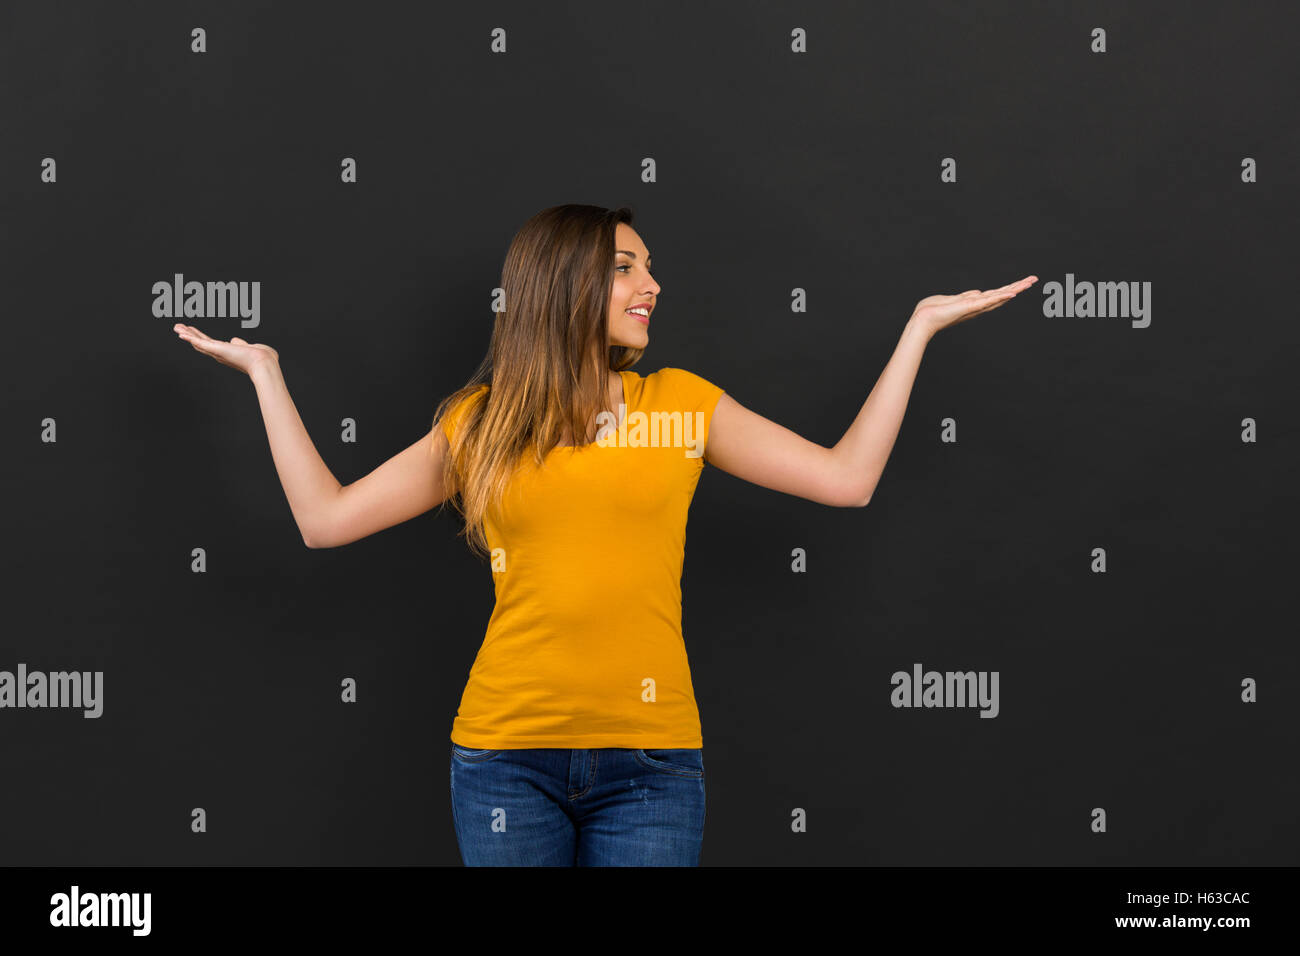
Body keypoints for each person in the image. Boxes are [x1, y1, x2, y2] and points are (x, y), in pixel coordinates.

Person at [173, 203, 1036, 866]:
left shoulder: (682, 406)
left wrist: (918, 330)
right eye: (625, 268)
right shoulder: (485, 423)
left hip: (652, 766)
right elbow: (325, 520)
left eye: (649, 268)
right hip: (506, 758)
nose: (651, 284)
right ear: (562, 285)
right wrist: (265, 375)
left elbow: (847, 479)